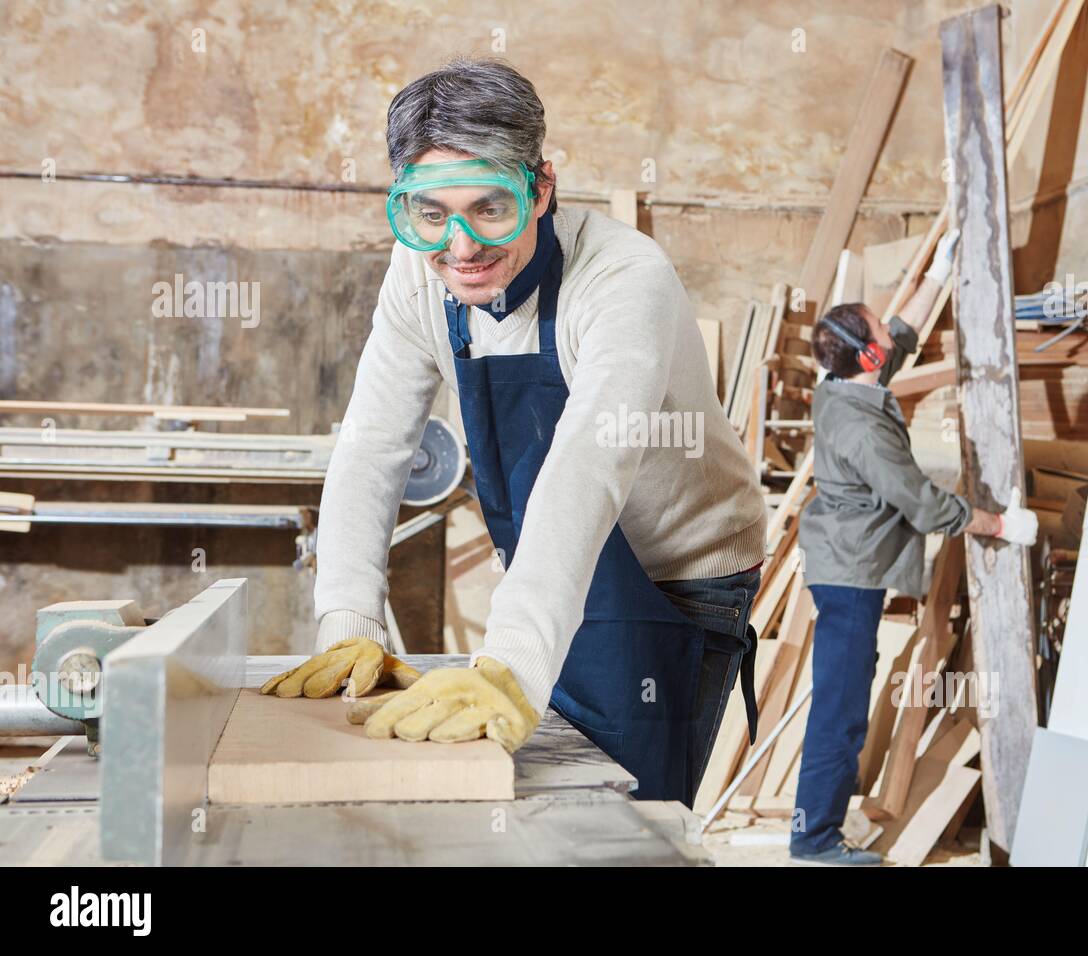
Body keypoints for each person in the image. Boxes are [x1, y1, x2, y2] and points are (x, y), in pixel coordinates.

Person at [260, 57, 767, 807]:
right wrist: (349, 618)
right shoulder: (420, 274)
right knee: (527, 797)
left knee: (620, 822)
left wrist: (509, 666)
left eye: (490, 208)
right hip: (556, 566)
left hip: (671, 581)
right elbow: (373, 445)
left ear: (542, 189)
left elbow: (586, 467)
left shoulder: (626, 281)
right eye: (431, 214)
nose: (461, 246)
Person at [791, 229, 1038, 864]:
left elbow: (901, 332)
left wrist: (944, 266)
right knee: (840, 711)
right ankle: (813, 841)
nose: (887, 336)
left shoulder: (847, 382)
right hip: (850, 575)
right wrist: (997, 525)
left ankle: (817, 833)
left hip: (847, 566)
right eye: (877, 335)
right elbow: (921, 502)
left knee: (845, 696)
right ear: (865, 359)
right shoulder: (862, 428)